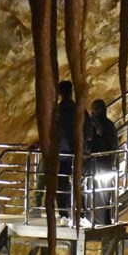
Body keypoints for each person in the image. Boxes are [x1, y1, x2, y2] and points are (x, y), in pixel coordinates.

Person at [87, 99, 119, 224]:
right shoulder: (91, 124)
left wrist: (100, 132)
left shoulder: (108, 126)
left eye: (96, 111)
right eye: (93, 111)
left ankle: (102, 220)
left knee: (102, 195)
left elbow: (112, 145)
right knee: (91, 193)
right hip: (93, 164)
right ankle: (91, 219)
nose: (94, 114)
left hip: (104, 164)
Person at [55, 80, 77, 221]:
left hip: (61, 153)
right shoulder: (78, 109)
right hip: (75, 153)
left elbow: (52, 129)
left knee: (61, 184)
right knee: (74, 183)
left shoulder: (58, 110)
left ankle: (64, 213)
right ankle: (77, 212)